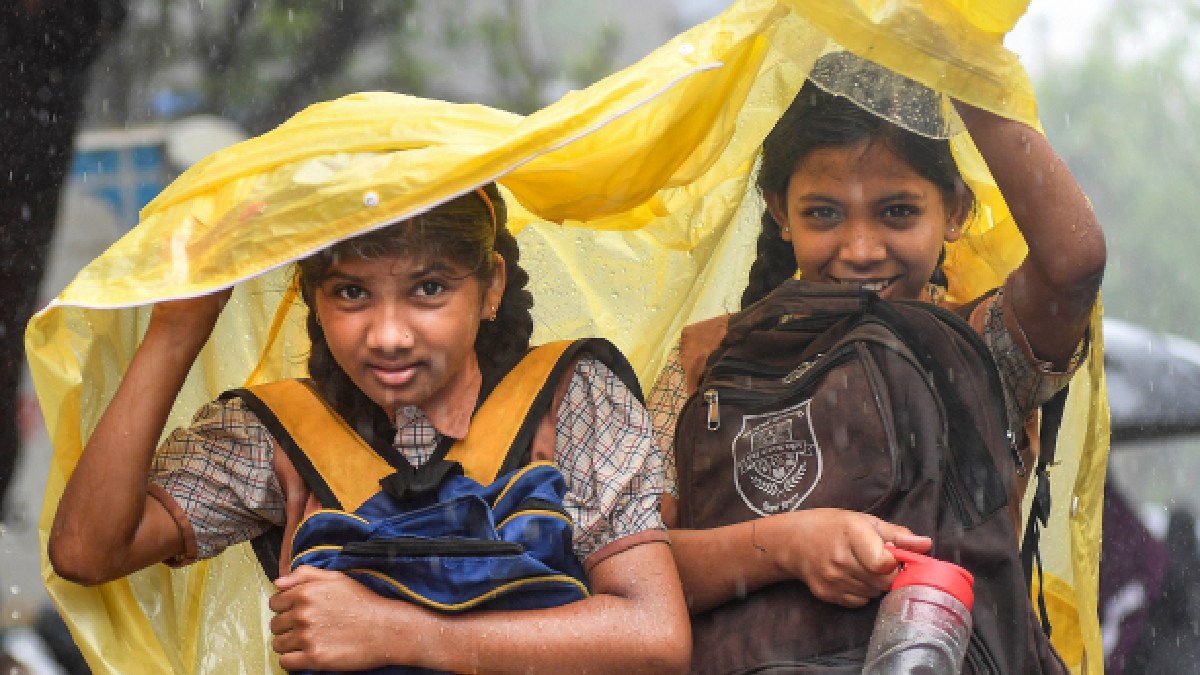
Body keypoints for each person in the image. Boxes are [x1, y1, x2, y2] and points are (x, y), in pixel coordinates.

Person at [46, 181, 690, 674]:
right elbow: (86, 552)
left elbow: (654, 636)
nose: (388, 335)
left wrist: (402, 632)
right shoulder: (276, 435)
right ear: (312, 299)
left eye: (429, 288)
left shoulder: (569, 398)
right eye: (351, 293)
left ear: (490, 286)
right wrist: (176, 329)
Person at [648, 56, 1105, 638]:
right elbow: (637, 565)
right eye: (824, 214)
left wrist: (954, 54)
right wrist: (787, 547)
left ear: (956, 211)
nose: (860, 249)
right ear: (779, 211)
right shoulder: (706, 357)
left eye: (897, 212)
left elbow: (1074, 265)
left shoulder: (980, 351)